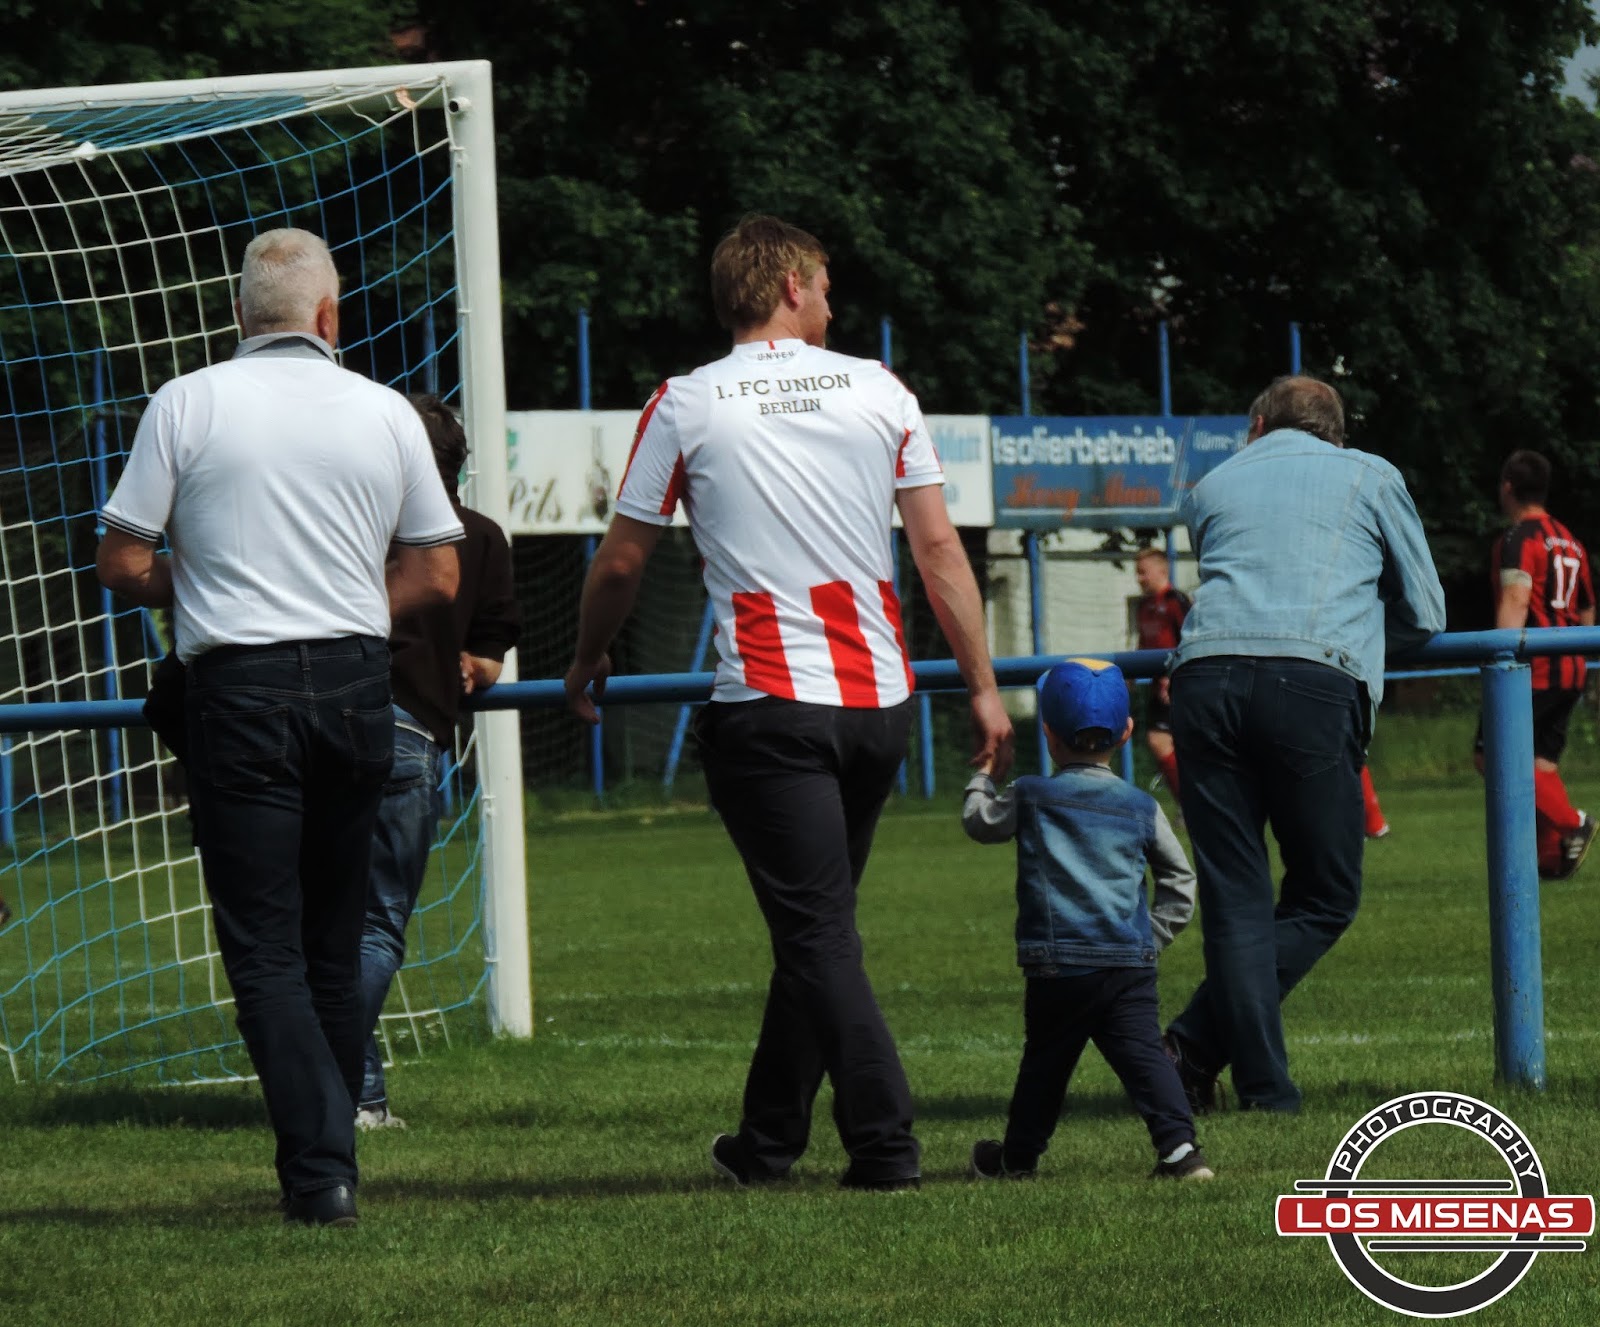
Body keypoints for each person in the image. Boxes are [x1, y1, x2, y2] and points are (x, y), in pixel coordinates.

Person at [564, 214, 1013, 1192]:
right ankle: (765, 1141)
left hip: (769, 701)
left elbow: (625, 558)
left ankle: (886, 1145)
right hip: (879, 703)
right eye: (826, 283)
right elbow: (938, 554)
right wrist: (981, 688)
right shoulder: (879, 388)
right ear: (793, 285)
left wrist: (587, 656)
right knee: (817, 928)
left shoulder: (684, 402)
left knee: (815, 933)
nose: (834, 302)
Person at [95, 228, 463, 1227]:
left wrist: (206, 578)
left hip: (240, 689)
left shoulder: (188, 400)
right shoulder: (386, 411)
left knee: (263, 948)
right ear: (329, 317)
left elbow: (122, 561)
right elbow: (436, 573)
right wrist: (338, 600)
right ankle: (330, 1152)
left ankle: (319, 1171)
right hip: (355, 682)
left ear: (238, 318)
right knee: (334, 944)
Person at [1160, 375, 1444, 1115]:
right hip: (1312, 684)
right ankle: (1192, 1046)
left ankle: (1246, 1081)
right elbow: (1427, 608)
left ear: (1257, 424)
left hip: (1203, 678)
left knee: (1235, 897)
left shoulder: (1213, 485)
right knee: (1325, 891)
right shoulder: (1371, 474)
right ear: (1336, 432)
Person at [962, 658, 1210, 1182]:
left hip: (1058, 967)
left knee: (1045, 1066)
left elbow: (979, 825)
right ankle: (1182, 1153)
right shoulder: (1142, 805)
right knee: (1146, 1059)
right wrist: (1149, 937)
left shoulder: (1032, 795)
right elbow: (1180, 883)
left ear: (1048, 735)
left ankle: (1018, 1159)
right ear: (1126, 732)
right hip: (1128, 966)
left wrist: (985, 777)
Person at [356, 394, 521, 1131]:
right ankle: (342, 1084)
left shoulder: (349, 521)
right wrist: (474, 669)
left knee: (314, 922)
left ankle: (348, 1088)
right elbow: (488, 652)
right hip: (408, 734)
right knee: (377, 921)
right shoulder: (481, 536)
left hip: (314, 718)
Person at [1474, 449, 1596, 879]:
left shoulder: (1518, 539)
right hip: (1573, 668)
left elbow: (1516, 599)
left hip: (1535, 671)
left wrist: (1502, 663)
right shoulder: (1571, 540)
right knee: (1541, 762)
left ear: (1508, 486)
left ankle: (1572, 823)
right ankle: (1552, 860)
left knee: (1492, 757)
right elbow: (1586, 610)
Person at [1131, 547, 1189, 799]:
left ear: (1162, 571)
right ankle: (1188, 804)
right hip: (1158, 688)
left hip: (1180, 685)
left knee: (1162, 741)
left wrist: (1173, 676)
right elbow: (1144, 644)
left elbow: (1189, 640)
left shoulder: (1176, 602)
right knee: (1160, 741)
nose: (1139, 578)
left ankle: (1189, 804)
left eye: (1143, 572)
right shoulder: (1144, 606)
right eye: (1137, 573)